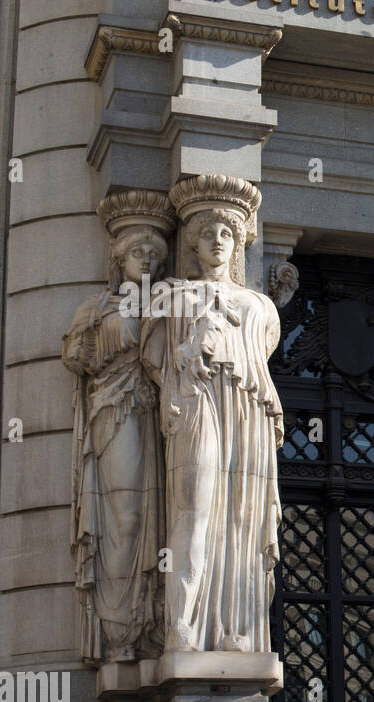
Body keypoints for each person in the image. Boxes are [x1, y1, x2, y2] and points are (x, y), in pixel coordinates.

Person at [141, 175, 284, 653]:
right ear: (194, 243)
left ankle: (234, 629)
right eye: (209, 233)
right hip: (197, 404)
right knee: (195, 509)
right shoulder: (174, 296)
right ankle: (182, 624)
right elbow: (154, 358)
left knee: (240, 522)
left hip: (246, 410)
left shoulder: (260, 305)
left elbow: (259, 355)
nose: (218, 241)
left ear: (239, 244)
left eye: (227, 233)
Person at [61, 192, 172, 663]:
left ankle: (153, 623)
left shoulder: (171, 300)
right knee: (122, 518)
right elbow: (75, 358)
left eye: (153, 254)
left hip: (159, 413)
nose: (145, 259)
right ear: (119, 258)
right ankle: (119, 630)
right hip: (113, 412)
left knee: (164, 521)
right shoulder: (97, 307)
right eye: (136, 253)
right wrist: (98, 333)